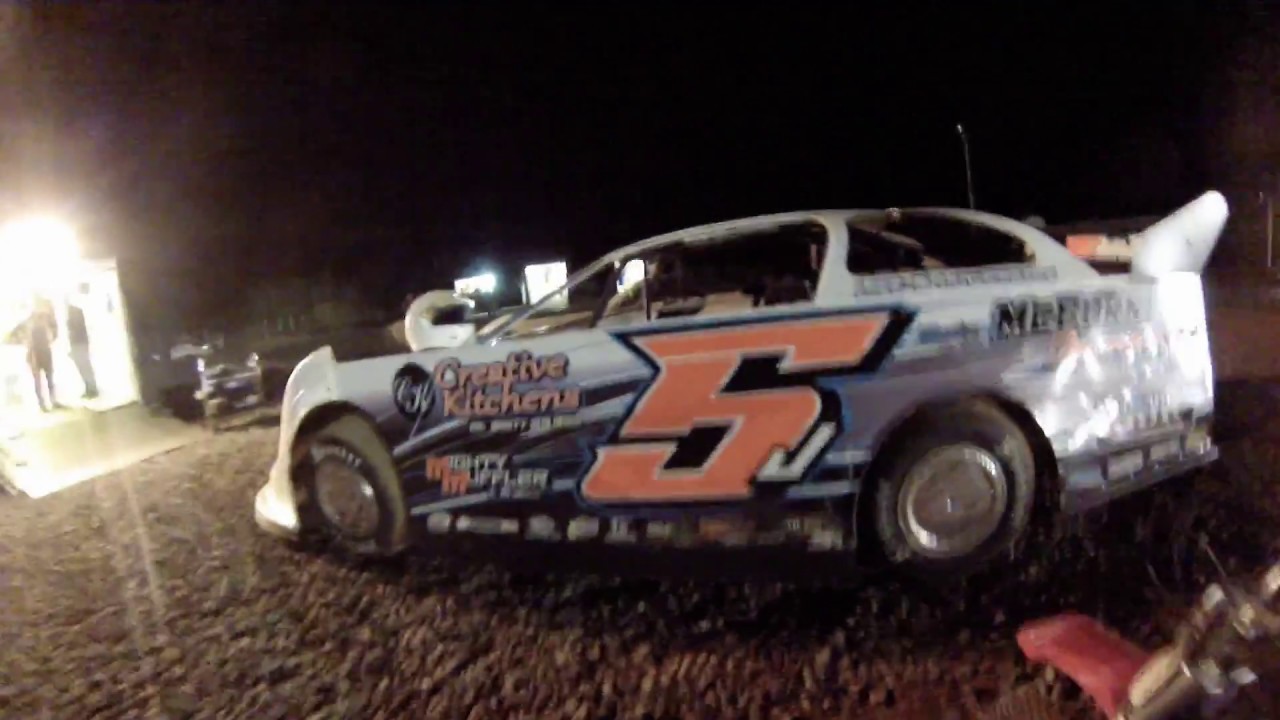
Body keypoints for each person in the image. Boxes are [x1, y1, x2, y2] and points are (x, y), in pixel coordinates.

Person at [25, 297, 59, 412]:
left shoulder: (43, 317)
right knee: (40, 379)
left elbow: (54, 331)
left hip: (42, 351)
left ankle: (50, 402)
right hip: (35, 352)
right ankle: (43, 404)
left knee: (48, 378)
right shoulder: (32, 320)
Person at [66, 284, 98, 399]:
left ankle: (91, 388)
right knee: (84, 367)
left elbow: (76, 330)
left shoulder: (74, 312)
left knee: (84, 367)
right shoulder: (75, 312)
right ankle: (90, 388)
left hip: (79, 343)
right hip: (79, 343)